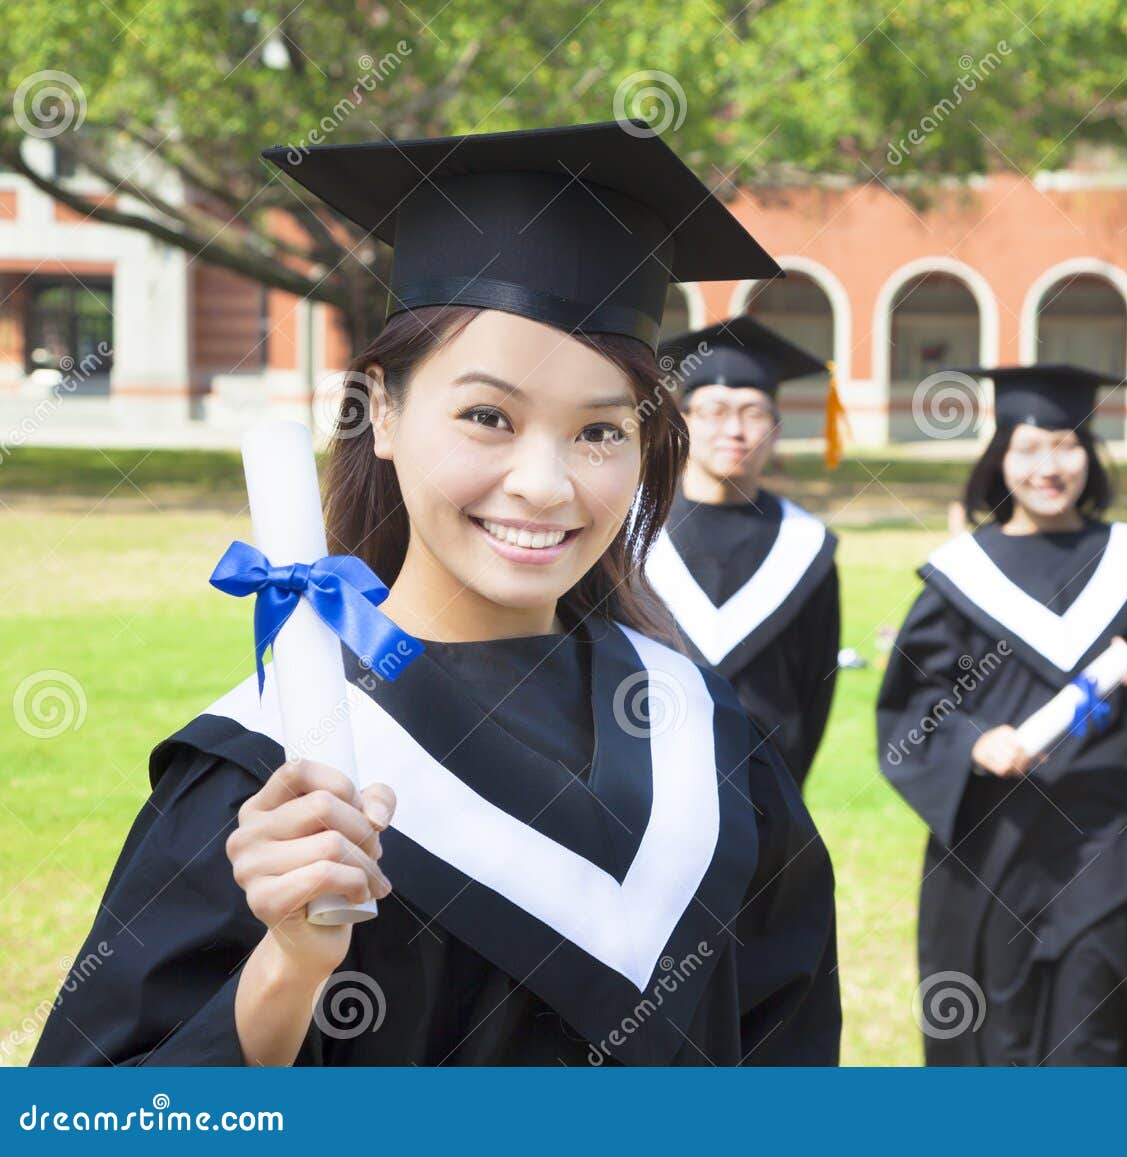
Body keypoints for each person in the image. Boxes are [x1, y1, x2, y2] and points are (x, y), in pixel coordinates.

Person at [29, 121, 841, 1067]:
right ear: (381, 411)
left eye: (600, 431)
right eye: (487, 416)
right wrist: (289, 966)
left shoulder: (702, 736)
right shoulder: (267, 771)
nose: (546, 483)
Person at [876, 363, 1127, 1065]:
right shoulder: (961, 576)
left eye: (1067, 445)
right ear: (999, 458)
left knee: (1092, 1024)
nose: (1050, 466)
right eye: (1029, 448)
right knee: (994, 1028)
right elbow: (910, 710)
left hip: (1105, 838)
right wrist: (974, 743)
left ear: (1090, 456)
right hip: (989, 845)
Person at [645, 316, 840, 789]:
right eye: (713, 411)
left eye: (753, 413)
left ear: (775, 430)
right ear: (680, 422)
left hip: (764, 790)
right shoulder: (629, 533)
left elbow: (815, 690)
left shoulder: (804, 545)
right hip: (643, 780)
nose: (734, 430)